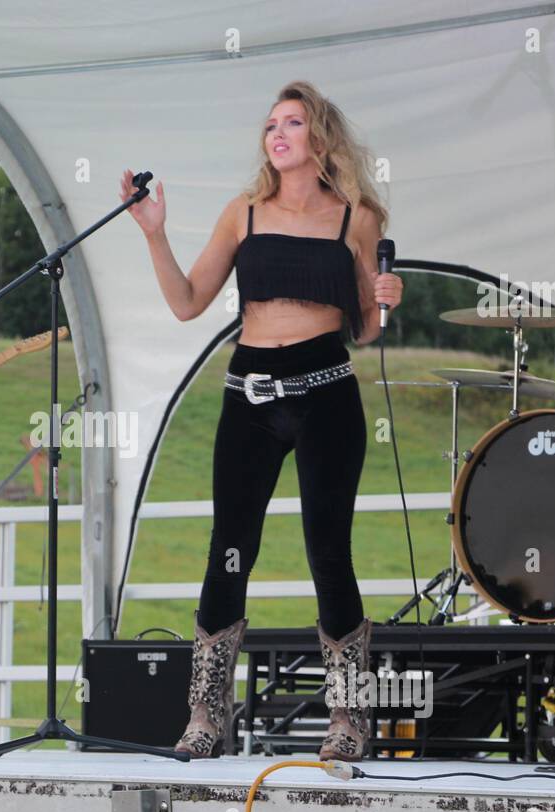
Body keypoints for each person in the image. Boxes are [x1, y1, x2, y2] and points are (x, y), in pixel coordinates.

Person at [122, 80, 402, 760]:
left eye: (293, 123)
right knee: (230, 547)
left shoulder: (356, 216)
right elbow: (189, 302)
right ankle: (206, 718)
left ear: (319, 138)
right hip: (248, 393)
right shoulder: (242, 213)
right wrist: (155, 235)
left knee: (328, 549)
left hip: (327, 392)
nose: (277, 133)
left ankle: (348, 721)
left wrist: (389, 299)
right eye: (271, 123)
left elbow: (366, 329)